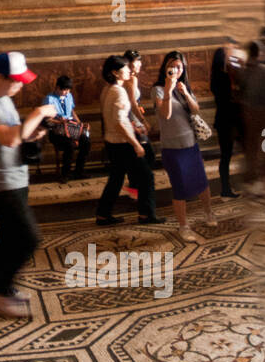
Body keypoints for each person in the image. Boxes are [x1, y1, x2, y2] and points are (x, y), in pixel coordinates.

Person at [0, 52, 54, 319]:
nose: (21, 86)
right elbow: (8, 138)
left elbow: (18, 132)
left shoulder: (5, 99)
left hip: (16, 179)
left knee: (8, 237)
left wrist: (36, 131)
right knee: (29, 239)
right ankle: (1, 291)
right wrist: (38, 112)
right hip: (0, 183)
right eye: (16, 81)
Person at [150, 52, 211, 239]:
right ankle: (183, 226)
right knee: (180, 187)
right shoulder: (158, 89)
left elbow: (195, 109)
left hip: (190, 142)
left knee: (201, 181)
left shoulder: (183, 87)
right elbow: (165, 115)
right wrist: (168, 91)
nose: (176, 70)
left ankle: (209, 212)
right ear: (166, 68)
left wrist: (185, 93)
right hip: (172, 147)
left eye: (180, 67)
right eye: (173, 66)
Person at [96, 54, 161, 226]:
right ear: (116, 73)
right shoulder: (119, 92)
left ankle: (103, 214)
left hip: (112, 142)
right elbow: (118, 121)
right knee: (146, 177)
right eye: (125, 68)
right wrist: (135, 143)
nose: (128, 70)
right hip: (123, 144)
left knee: (116, 179)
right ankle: (146, 215)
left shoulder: (107, 89)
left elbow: (115, 118)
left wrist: (133, 127)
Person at [238, 39, 265, 194]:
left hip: (249, 112)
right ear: (260, 54)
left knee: (252, 147)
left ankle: (250, 181)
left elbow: (241, 91)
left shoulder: (243, 71)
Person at [202, 48, 241, 200]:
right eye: (227, 56)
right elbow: (230, 97)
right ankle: (226, 188)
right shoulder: (224, 76)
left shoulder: (215, 77)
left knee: (226, 155)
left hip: (222, 119)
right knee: (226, 155)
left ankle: (226, 187)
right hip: (229, 119)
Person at [43, 75, 90, 183]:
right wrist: (60, 121)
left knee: (86, 141)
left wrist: (80, 124)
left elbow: (72, 112)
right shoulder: (49, 98)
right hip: (56, 131)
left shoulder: (69, 96)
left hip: (71, 128)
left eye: (68, 90)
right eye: (64, 90)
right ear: (57, 87)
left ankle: (79, 171)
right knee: (69, 145)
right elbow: (47, 119)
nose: (66, 92)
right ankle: (65, 174)